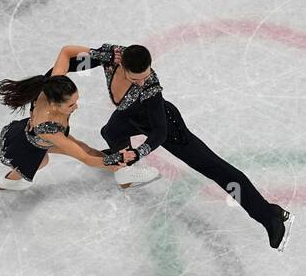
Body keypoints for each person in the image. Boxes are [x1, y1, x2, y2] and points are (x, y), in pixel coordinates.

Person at [54, 42, 293, 249]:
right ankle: (121, 162)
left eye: (146, 75)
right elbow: (75, 64)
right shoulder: (111, 57)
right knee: (110, 131)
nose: (143, 81)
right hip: (130, 116)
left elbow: (159, 133)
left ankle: (268, 215)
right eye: (136, 78)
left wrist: (138, 153)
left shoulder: (151, 88)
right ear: (123, 67)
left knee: (214, 167)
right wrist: (51, 85)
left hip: (167, 126)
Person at [0, 71, 137, 190]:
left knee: (84, 147)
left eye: (76, 101)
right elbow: (85, 159)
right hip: (28, 148)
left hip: (38, 135)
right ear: (54, 106)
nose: (76, 107)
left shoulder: (53, 87)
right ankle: (4, 185)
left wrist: (102, 53)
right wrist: (116, 158)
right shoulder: (48, 129)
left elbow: (66, 51)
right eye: (71, 105)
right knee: (39, 163)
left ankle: (122, 171)